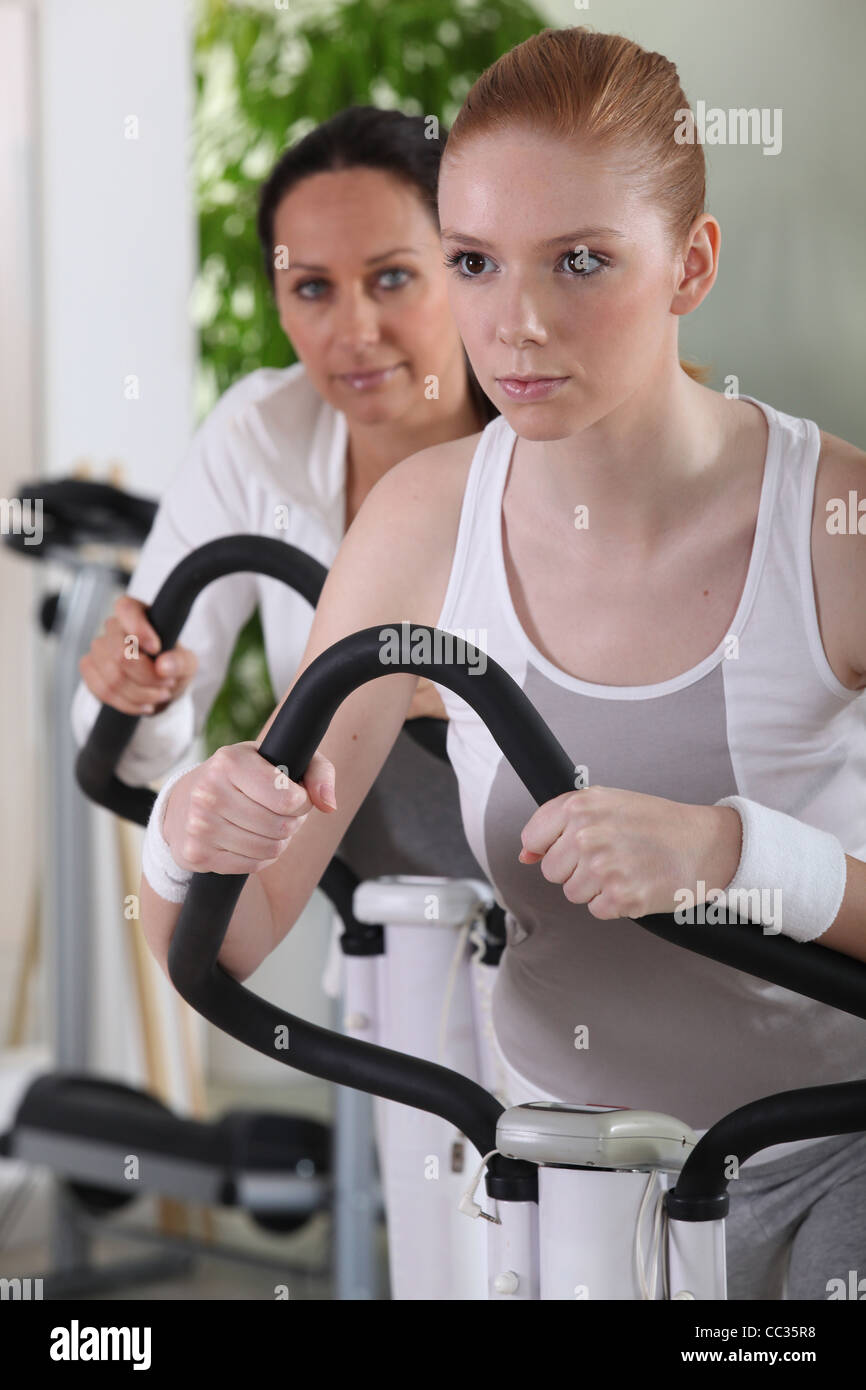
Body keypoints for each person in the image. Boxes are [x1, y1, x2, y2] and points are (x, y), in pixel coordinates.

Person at [138, 27, 866, 1301]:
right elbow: (233, 938)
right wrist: (183, 833)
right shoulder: (420, 524)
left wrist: (737, 858)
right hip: (553, 1174)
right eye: (474, 262)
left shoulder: (834, 527)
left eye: (580, 260)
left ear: (690, 263)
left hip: (826, 1169)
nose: (515, 323)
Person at [70, 105, 496, 1298]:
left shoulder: (550, 441)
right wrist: (133, 687)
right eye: (310, 287)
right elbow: (139, 720)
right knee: (439, 1248)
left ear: (464, 269)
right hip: (393, 900)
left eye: (392, 277)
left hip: (580, 897)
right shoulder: (260, 431)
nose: (350, 329)